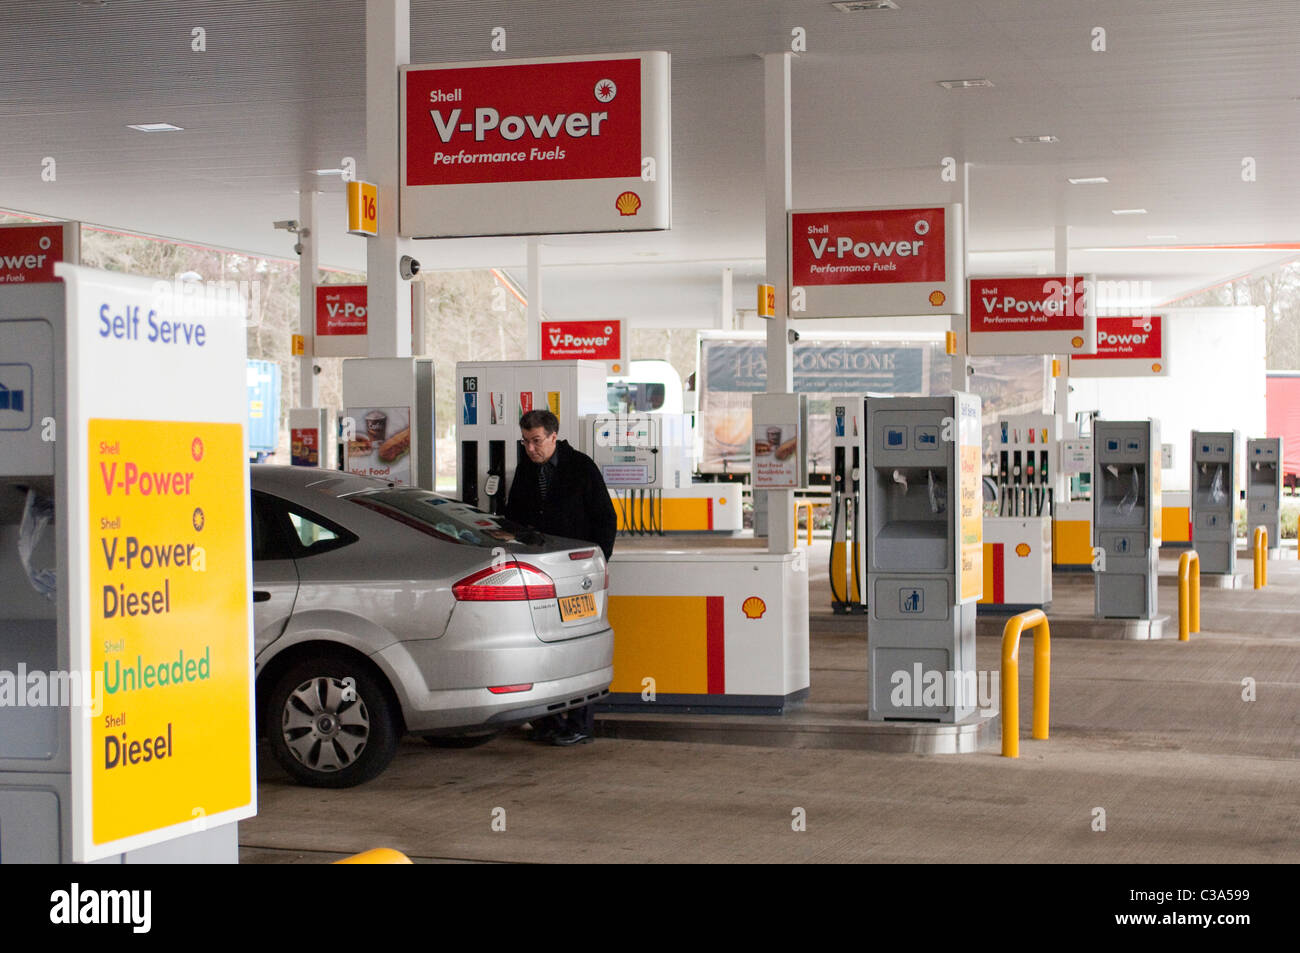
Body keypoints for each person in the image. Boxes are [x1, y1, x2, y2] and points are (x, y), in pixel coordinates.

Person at [505, 408, 617, 745]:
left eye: (536, 441)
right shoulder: (526, 469)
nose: (530, 448)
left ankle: (580, 724)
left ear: (554, 436)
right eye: (525, 442)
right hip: (541, 573)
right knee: (545, 645)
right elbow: (515, 516)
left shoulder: (581, 468)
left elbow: (606, 519)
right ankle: (548, 721)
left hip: (578, 573)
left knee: (579, 647)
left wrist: (598, 563)